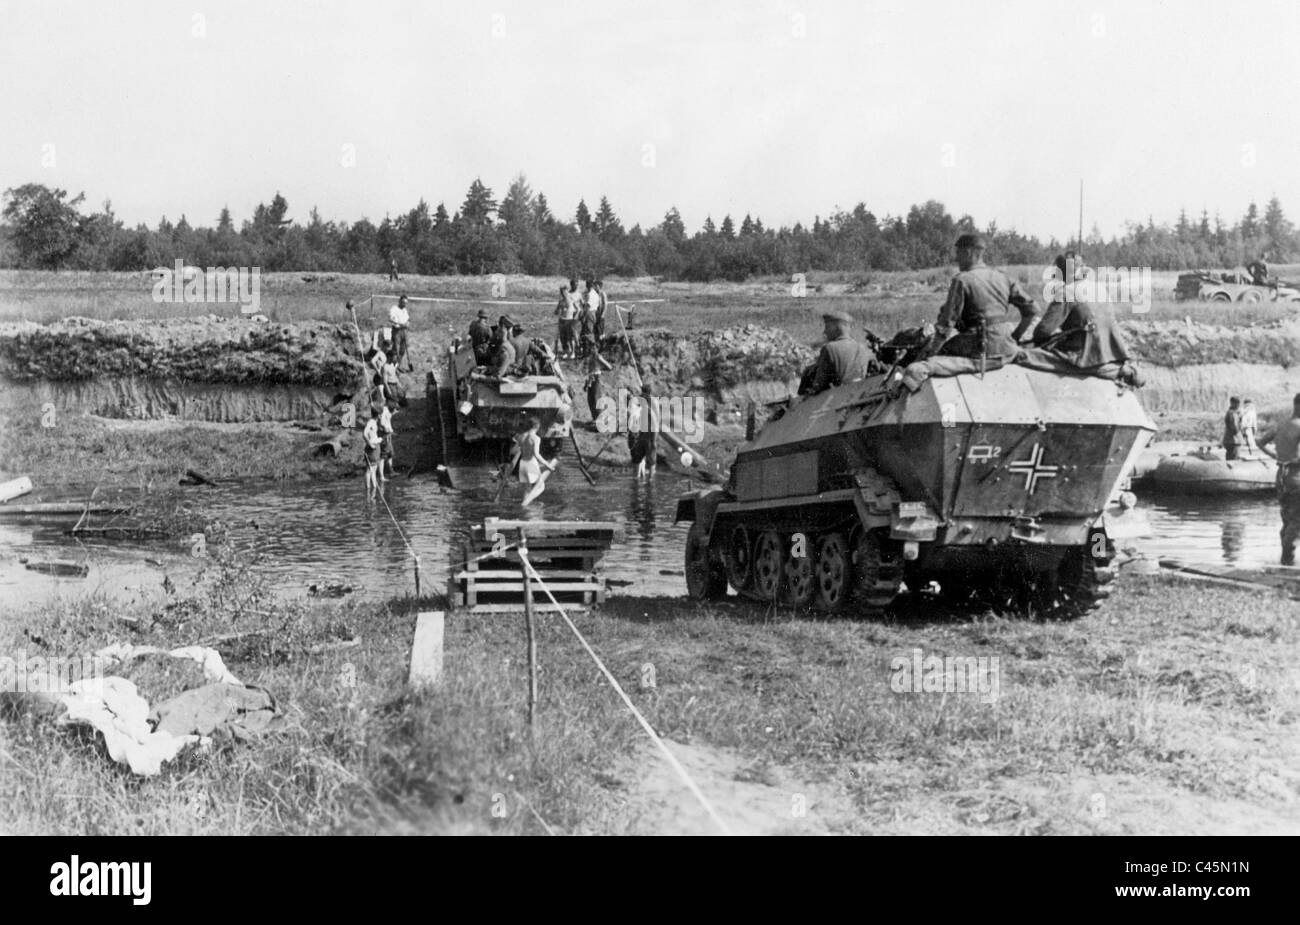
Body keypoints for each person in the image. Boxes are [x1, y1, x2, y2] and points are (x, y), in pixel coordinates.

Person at [934, 233, 1040, 362]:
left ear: (968, 253)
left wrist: (931, 354)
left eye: (958, 253)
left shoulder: (962, 280)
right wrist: (1015, 337)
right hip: (1006, 344)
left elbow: (945, 326)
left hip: (978, 345)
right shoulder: (1003, 277)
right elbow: (1032, 310)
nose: (956, 259)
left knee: (941, 353)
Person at [1259, 393, 1300, 564]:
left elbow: (1260, 442)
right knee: (1297, 520)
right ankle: (1287, 561)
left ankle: (1285, 560)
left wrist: (1277, 456)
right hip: (1296, 476)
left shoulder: (1280, 424)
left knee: (1287, 518)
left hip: (1281, 475)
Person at [801, 310, 876, 395]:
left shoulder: (829, 348)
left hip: (837, 395)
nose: (825, 332)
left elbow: (819, 384)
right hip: (858, 393)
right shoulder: (863, 348)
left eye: (827, 327)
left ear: (837, 328)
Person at [509, 416, 556, 506]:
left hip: (522, 464)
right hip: (531, 463)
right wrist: (547, 464)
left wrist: (517, 442)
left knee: (527, 488)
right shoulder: (536, 438)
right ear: (537, 426)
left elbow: (512, 451)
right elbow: (536, 454)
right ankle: (525, 503)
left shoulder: (521, 436)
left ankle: (525, 510)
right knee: (541, 487)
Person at [627, 384, 660, 479]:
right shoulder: (644, 401)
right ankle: (640, 478)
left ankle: (648, 479)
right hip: (644, 433)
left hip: (650, 433)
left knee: (650, 458)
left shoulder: (651, 402)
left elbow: (655, 420)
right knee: (640, 457)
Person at [362, 412, 384, 498]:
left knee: (374, 468)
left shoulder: (375, 422)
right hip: (372, 448)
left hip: (375, 447)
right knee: (370, 469)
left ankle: (374, 488)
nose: (381, 415)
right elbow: (364, 434)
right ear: (378, 415)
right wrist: (370, 444)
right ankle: (368, 489)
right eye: (381, 414)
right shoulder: (371, 422)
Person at [389, 295, 412, 371]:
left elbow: (408, 319)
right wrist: (400, 324)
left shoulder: (405, 310)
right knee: (396, 349)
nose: (404, 304)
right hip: (397, 331)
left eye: (406, 303)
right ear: (400, 301)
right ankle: (393, 367)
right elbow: (391, 319)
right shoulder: (394, 309)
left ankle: (398, 365)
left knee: (402, 349)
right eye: (403, 302)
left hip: (405, 331)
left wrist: (408, 323)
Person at [554, 286, 576, 358]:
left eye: (565, 292)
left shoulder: (571, 300)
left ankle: (573, 352)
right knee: (563, 338)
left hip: (569, 320)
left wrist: (575, 317)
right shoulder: (561, 301)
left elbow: (578, 309)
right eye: (562, 292)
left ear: (567, 292)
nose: (564, 294)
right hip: (562, 320)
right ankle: (565, 351)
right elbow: (556, 311)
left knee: (571, 337)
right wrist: (557, 311)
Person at [377, 403, 397, 478]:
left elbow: (388, 422)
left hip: (388, 435)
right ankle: (381, 475)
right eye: (395, 411)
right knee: (383, 455)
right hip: (384, 436)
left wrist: (391, 431)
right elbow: (382, 423)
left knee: (390, 454)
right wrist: (387, 430)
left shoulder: (387, 411)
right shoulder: (387, 413)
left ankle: (391, 471)